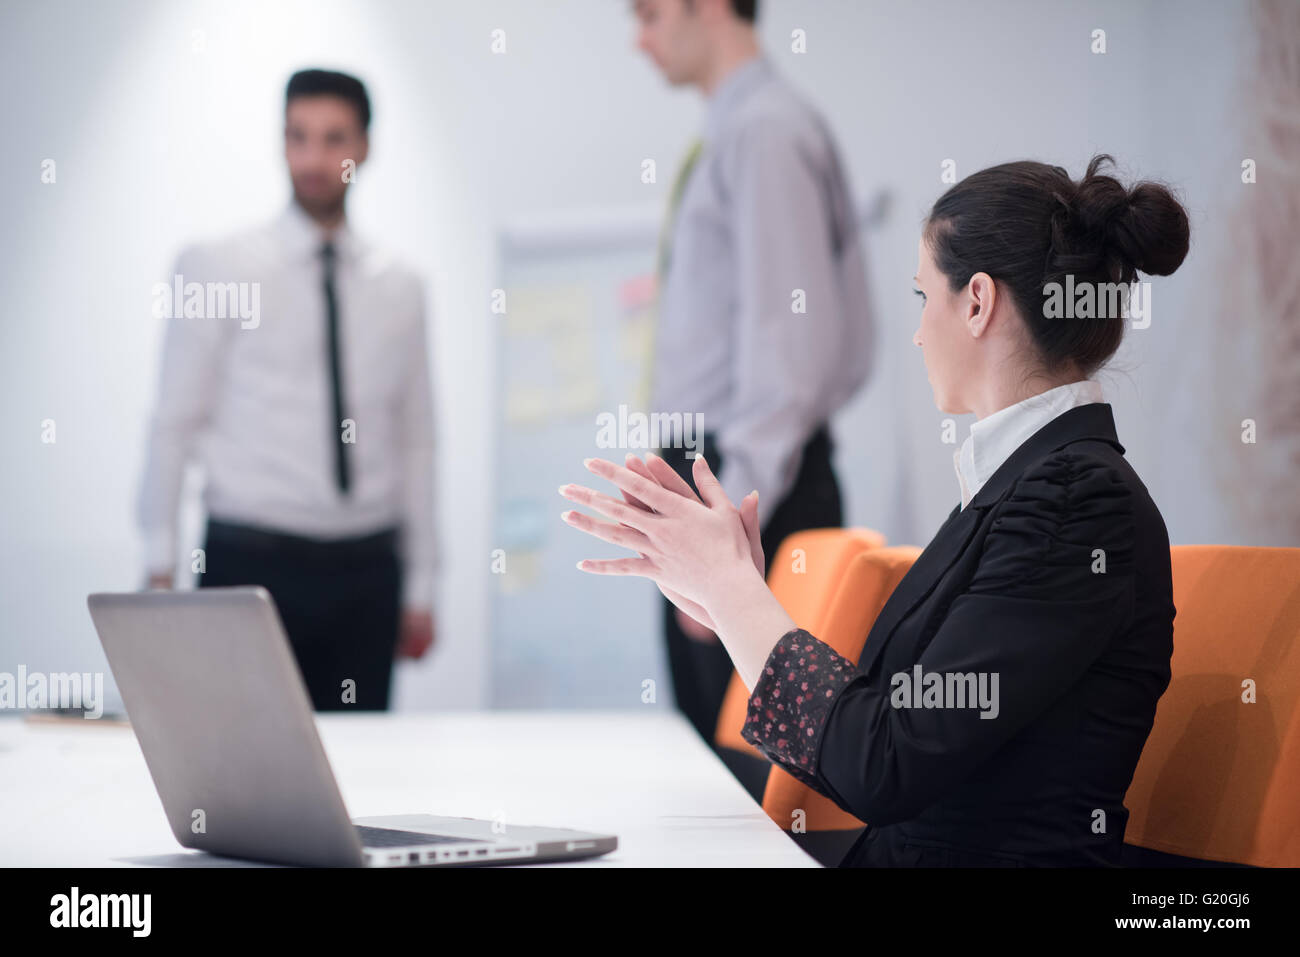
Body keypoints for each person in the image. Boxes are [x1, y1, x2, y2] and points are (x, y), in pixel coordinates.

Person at [560, 154, 1189, 866]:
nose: (919, 333)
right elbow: (877, 735)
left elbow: (886, 764)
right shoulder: (1027, 484)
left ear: (978, 302)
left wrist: (736, 596)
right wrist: (730, 596)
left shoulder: (1074, 502)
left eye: (926, 298)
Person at [137, 69, 438, 711]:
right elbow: (173, 420)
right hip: (249, 562)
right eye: (298, 137)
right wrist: (158, 563)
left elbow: (417, 439)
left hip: (365, 571)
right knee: (239, 770)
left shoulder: (401, 287)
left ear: (366, 148)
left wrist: (423, 584)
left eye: (333, 139)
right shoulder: (216, 267)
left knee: (360, 779)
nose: (314, 159)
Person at [631, 0, 873, 769]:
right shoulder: (740, 130)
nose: (639, 38)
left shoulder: (764, 131)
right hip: (722, 480)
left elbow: (788, 349)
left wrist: (725, 541)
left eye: (648, 13)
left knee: (750, 777)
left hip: (742, 486)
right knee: (719, 759)